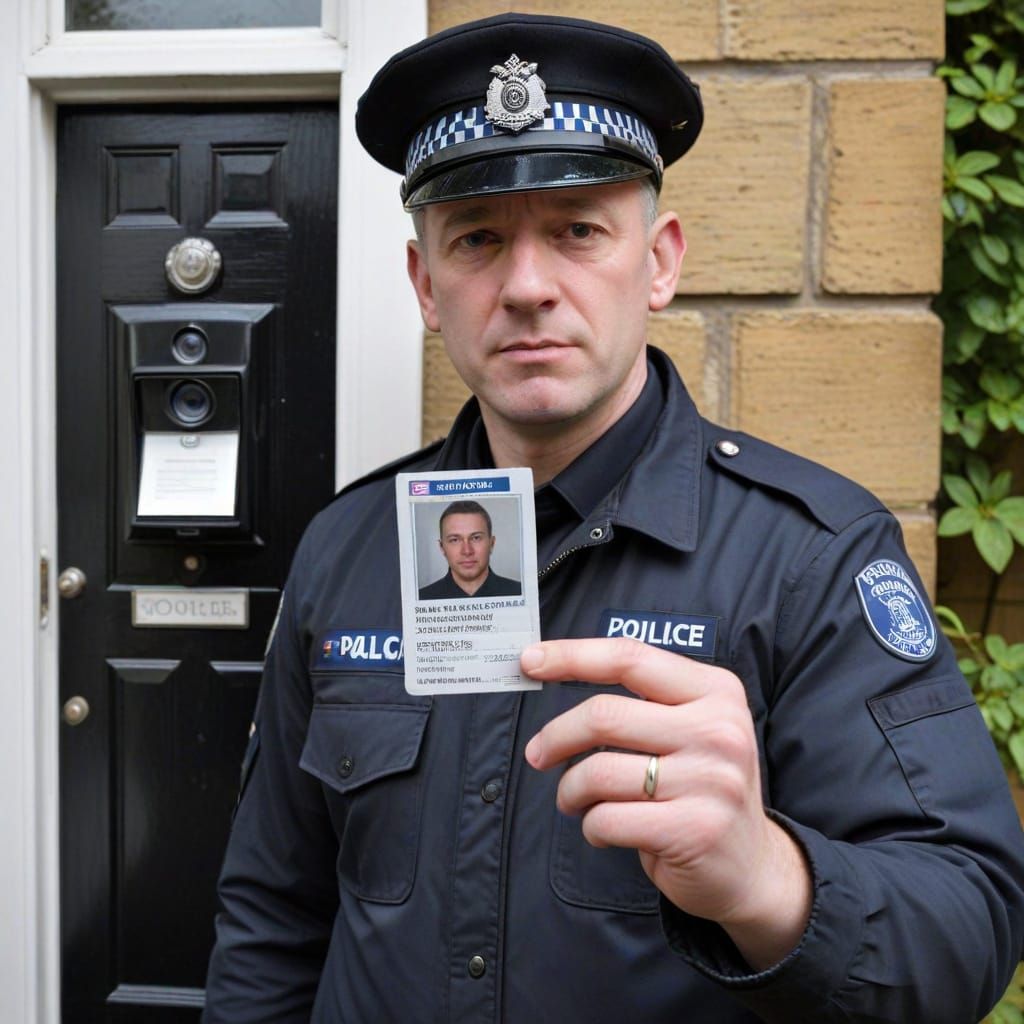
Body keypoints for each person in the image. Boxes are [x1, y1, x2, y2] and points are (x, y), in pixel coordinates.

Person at [204, 13, 1024, 1023]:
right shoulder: (346, 548)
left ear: (660, 261)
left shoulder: (807, 553)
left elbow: (968, 928)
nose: (528, 287)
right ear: (425, 284)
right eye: (477, 239)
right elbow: (273, 915)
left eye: (578, 230)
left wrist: (768, 876)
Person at [419, 499, 522, 599]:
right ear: (442, 547)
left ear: (492, 543)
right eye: (455, 540)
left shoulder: (520, 593)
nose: (467, 551)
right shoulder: (421, 598)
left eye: (476, 538)